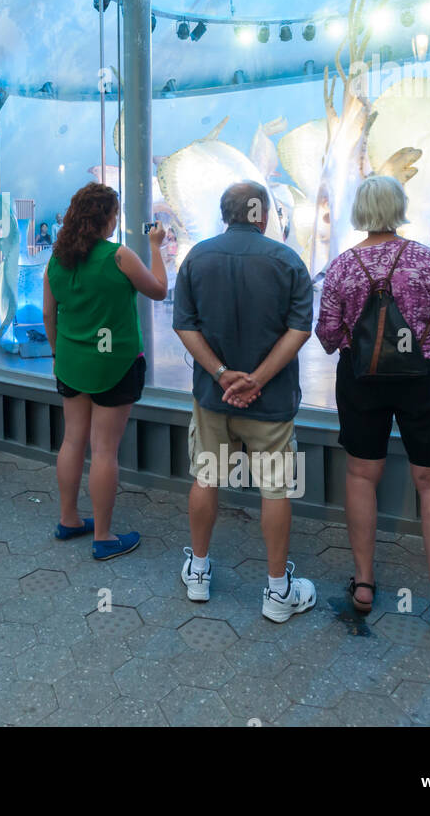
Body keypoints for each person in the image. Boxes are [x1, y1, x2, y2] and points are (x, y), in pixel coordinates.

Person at [316, 175, 430, 635]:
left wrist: (357, 338)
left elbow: (326, 337)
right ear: (398, 208)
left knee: (362, 474)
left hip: (362, 379)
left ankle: (364, 585)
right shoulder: (427, 260)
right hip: (424, 380)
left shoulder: (342, 267)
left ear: (360, 212)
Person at [173, 181, 316, 623]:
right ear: (263, 215)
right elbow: (299, 330)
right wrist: (257, 379)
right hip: (270, 403)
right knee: (276, 489)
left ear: (224, 214)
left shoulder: (195, 258)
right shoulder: (288, 261)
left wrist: (220, 375)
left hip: (213, 399)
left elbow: (185, 325)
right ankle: (277, 593)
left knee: (207, 476)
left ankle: (197, 572)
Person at [45, 183, 167, 561]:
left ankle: (68, 519)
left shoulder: (57, 259)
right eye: (114, 213)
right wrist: (157, 247)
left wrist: (59, 353)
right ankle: (103, 535)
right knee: (104, 451)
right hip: (115, 364)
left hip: (71, 363)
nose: (116, 219)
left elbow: (50, 314)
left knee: (72, 441)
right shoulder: (120, 257)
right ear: (105, 217)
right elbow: (160, 290)